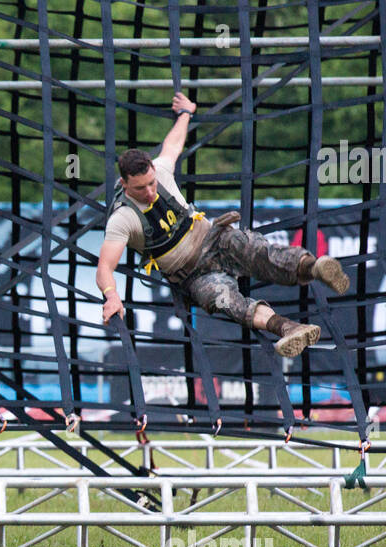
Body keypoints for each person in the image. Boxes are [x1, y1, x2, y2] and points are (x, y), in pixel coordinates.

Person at [97, 92, 351, 356]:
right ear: (125, 184)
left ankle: (316, 267)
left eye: (151, 183)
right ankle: (289, 329)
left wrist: (186, 112)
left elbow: (172, 145)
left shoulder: (159, 170)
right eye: (141, 188)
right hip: (193, 274)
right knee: (228, 302)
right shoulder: (122, 218)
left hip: (214, 239)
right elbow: (105, 266)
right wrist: (112, 295)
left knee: (260, 252)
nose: (150, 191)